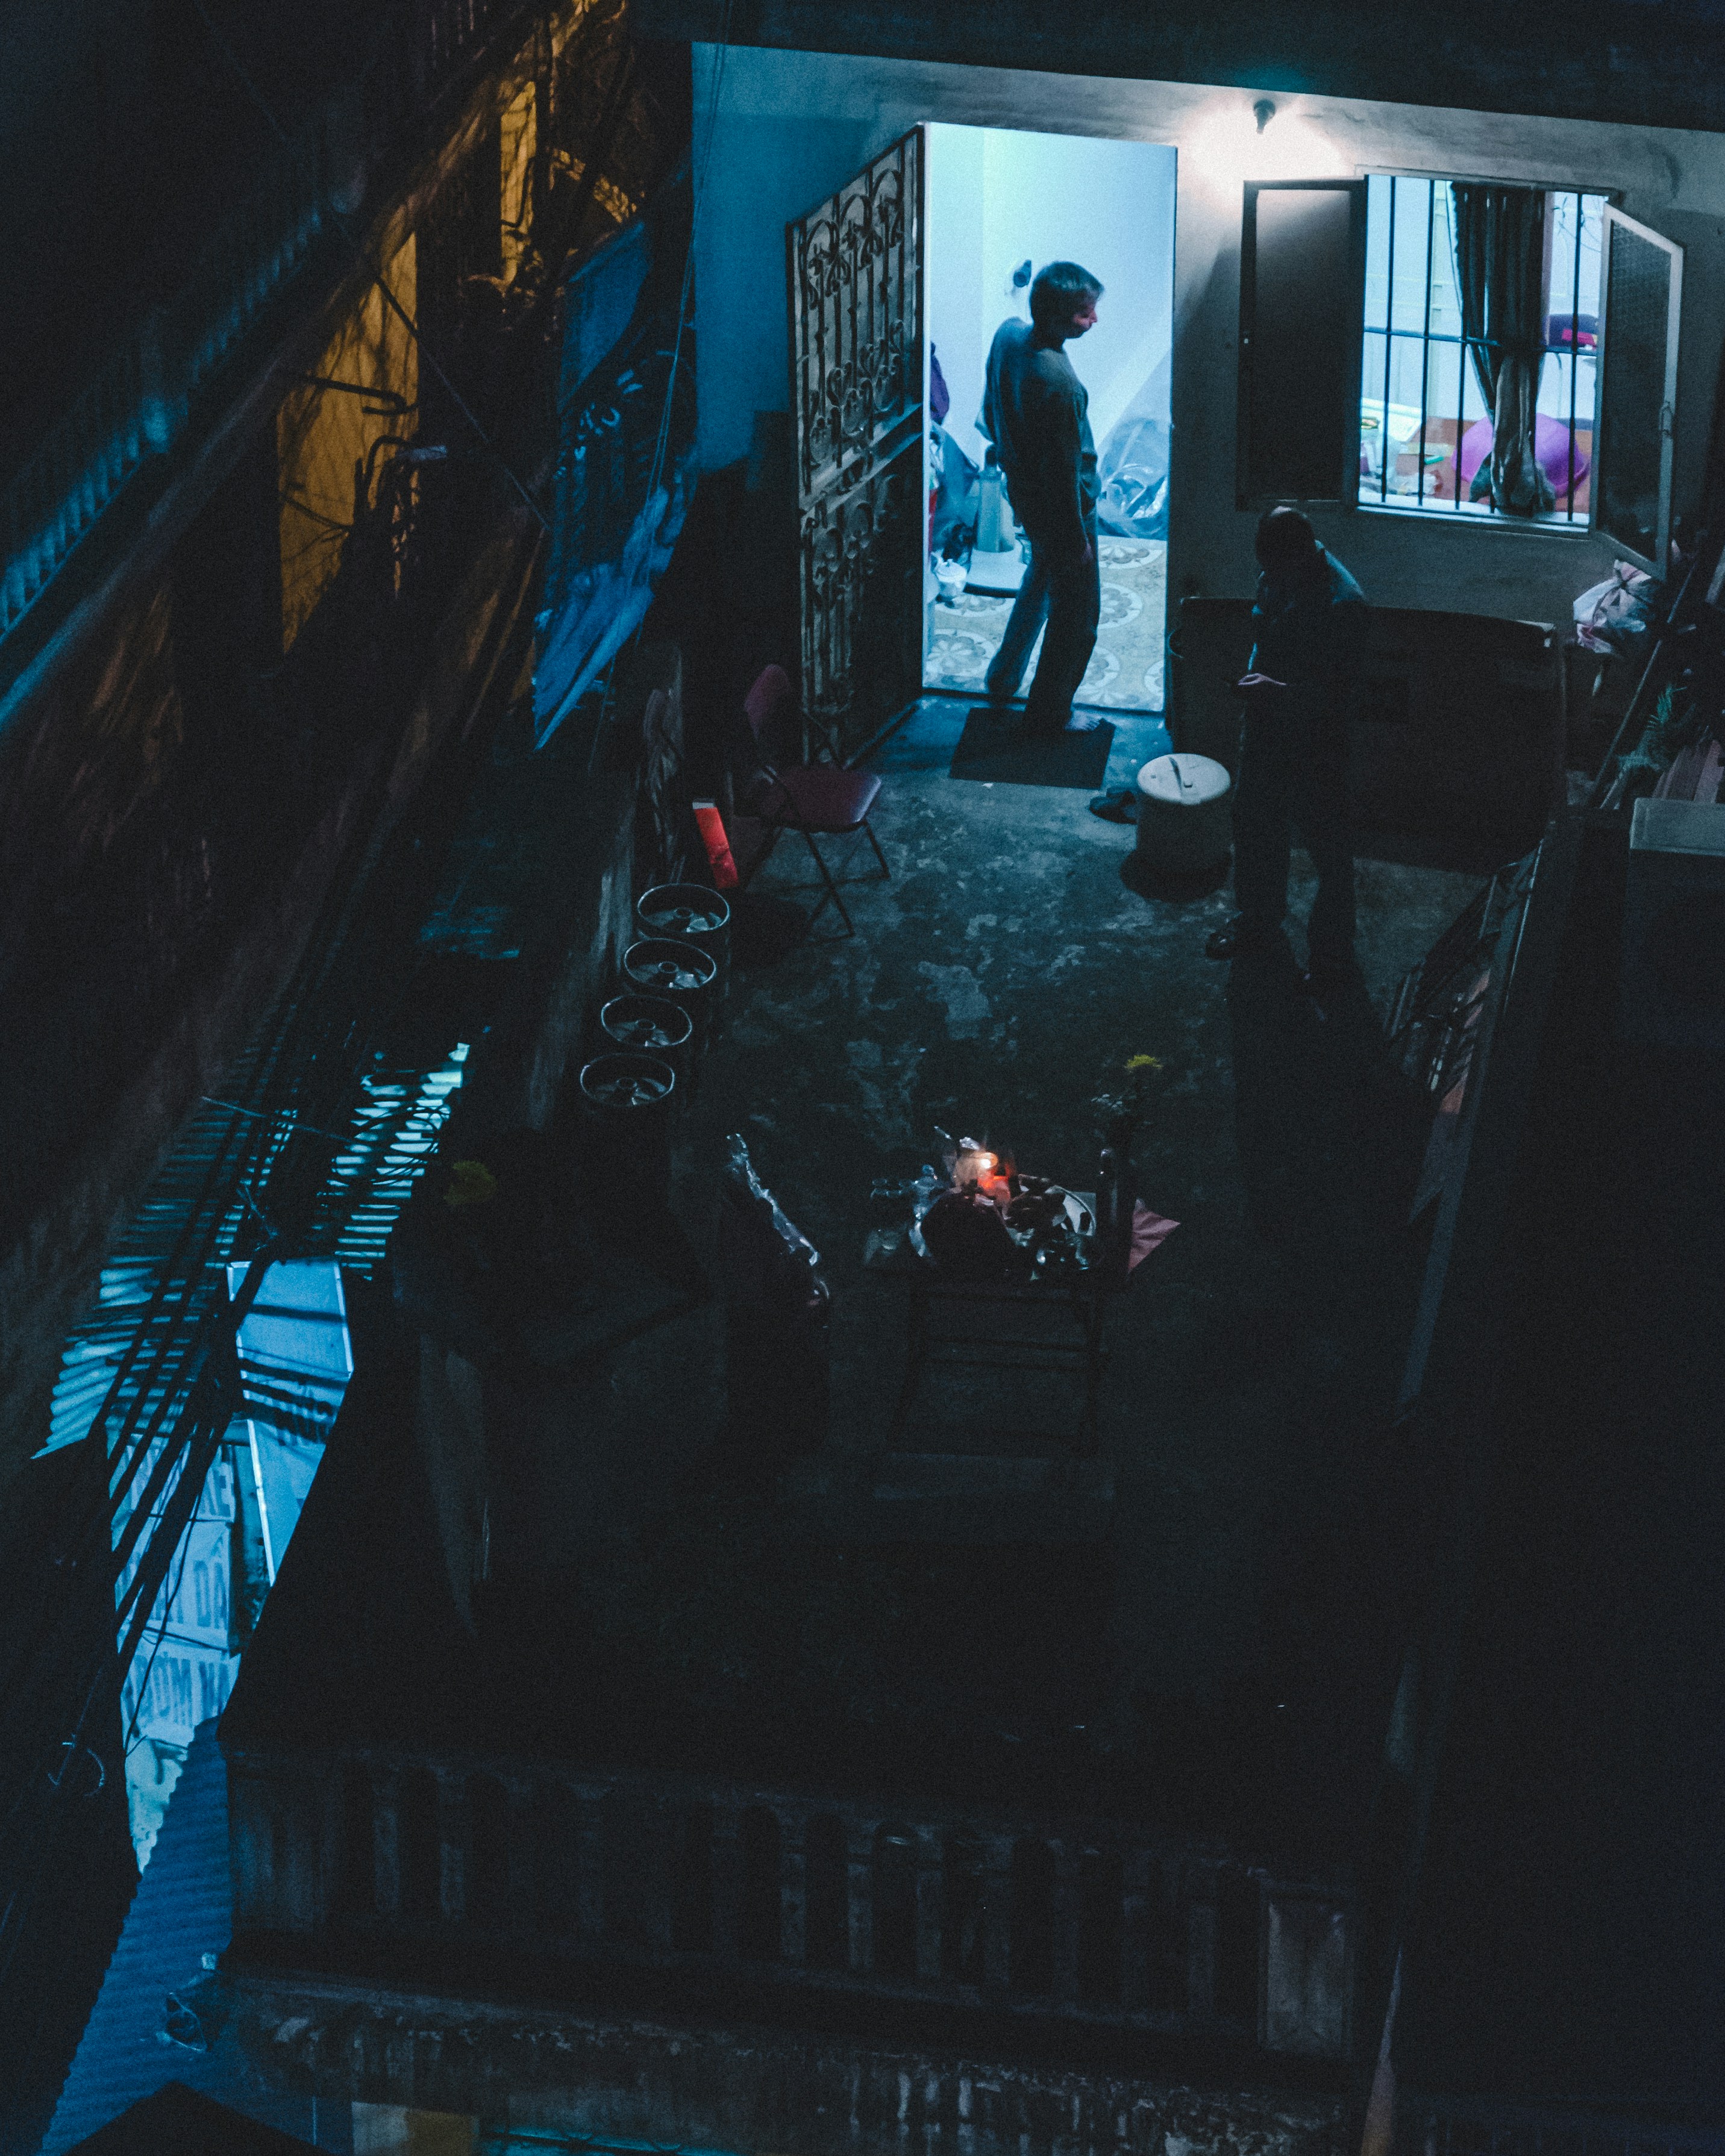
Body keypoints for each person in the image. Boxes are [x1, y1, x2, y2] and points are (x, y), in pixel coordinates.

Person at [1205, 507, 1367, 995]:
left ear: (1301, 552)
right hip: (1267, 726)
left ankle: (1331, 958)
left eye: (1274, 567)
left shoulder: (1344, 605)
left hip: (1319, 743)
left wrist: (1273, 688)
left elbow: (1342, 697)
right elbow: (1265, 628)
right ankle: (1257, 924)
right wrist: (1257, 680)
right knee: (1254, 825)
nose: (1266, 576)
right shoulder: (1279, 570)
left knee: (1330, 855)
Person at [979, 261, 1104, 736]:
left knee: (1036, 586)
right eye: (1084, 314)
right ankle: (1051, 711)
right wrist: (1076, 539)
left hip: (1026, 500)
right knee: (1078, 617)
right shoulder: (1061, 386)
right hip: (1063, 513)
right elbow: (1063, 475)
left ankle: (1002, 678)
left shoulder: (1008, 335)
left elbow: (992, 404)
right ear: (1055, 317)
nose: (1093, 321)